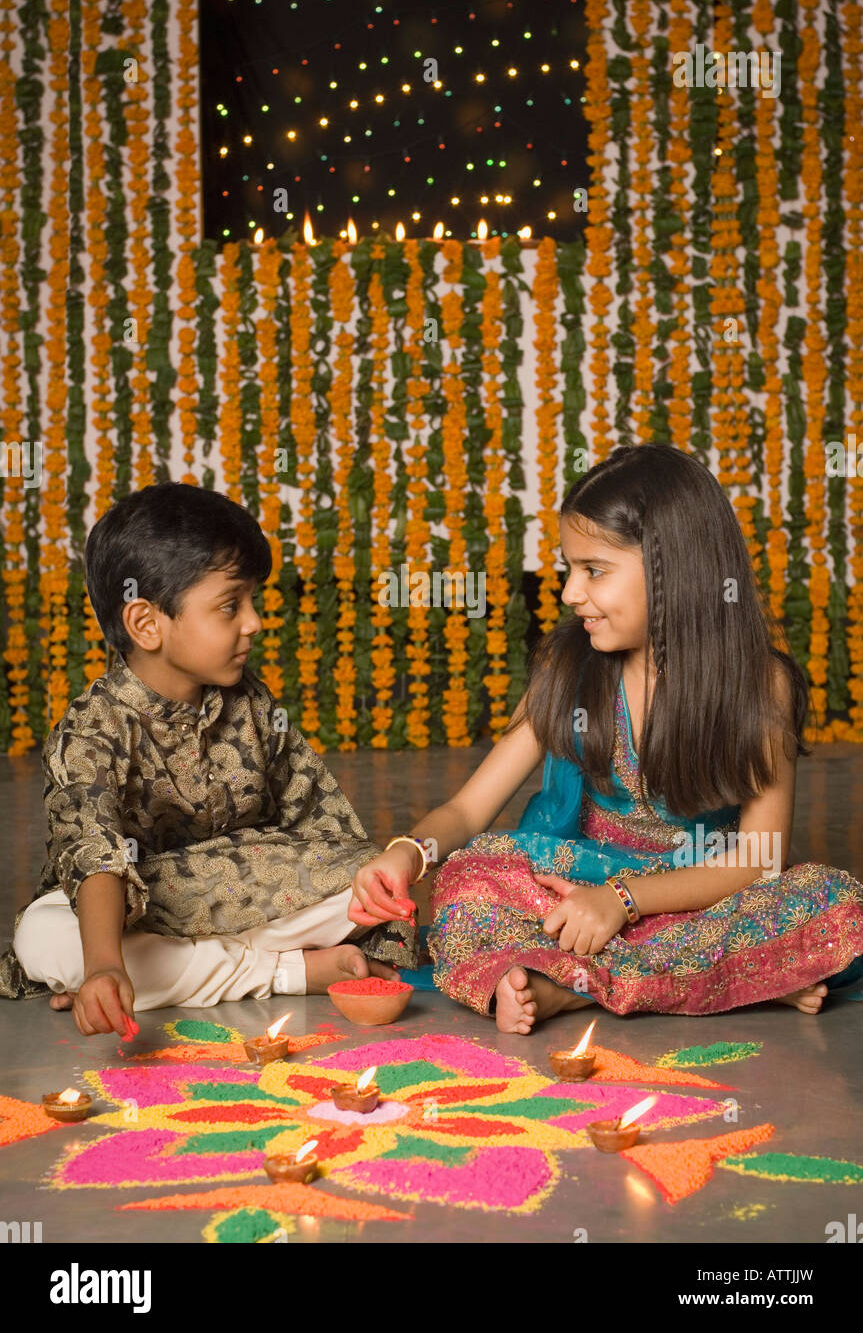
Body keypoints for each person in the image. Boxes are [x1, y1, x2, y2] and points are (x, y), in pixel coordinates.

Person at [347, 443, 863, 1032]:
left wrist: (622, 901)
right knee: (469, 879)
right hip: (575, 885)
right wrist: (408, 854)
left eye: (593, 570)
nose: (569, 592)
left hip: (698, 891)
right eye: (569, 568)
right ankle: (739, 980)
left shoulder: (758, 684)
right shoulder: (568, 670)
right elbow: (469, 809)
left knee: (837, 906)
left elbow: (757, 861)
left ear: (676, 571)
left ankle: (577, 986)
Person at [0, 483, 417, 1036]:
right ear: (146, 624)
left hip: (252, 898)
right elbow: (94, 853)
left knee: (376, 878)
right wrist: (102, 965)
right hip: (133, 916)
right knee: (43, 937)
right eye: (230, 606)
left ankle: (186, 974)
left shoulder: (252, 701)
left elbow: (318, 824)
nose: (254, 623)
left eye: (252, 602)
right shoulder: (91, 730)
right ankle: (285, 973)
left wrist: (367, 881)